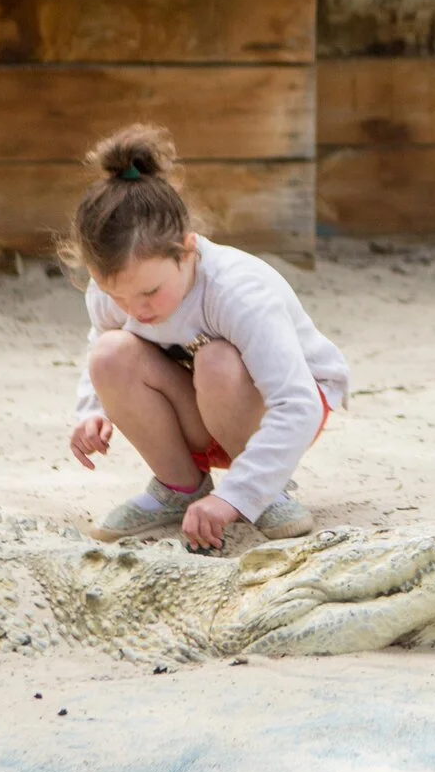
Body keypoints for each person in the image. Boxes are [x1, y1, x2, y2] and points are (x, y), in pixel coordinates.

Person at [64, 126, 350, 550]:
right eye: (115, 295)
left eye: (148, 292)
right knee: (109, 353)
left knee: (216, 359)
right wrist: (92, 410)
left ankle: (264, 491)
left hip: (280, 409)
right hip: (199, 410)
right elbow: (102, 338)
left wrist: (236, 497)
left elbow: (297, 404)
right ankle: (180, 488)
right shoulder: (118, 292)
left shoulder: (237, 292)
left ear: (187, 249)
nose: (135, 310)